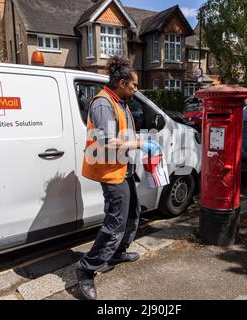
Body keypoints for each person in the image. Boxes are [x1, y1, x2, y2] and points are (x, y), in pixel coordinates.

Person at [75, 56, 161, 300]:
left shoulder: (118, 101)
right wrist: (140, 143)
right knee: (115, 224)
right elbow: (105, 141)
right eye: (133, 86)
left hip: (123, 169)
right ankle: (86, 268)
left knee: (133, 213)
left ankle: (117, 252)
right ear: (122, 82)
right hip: (110, 172)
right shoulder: (103, 104)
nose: (135, 90)